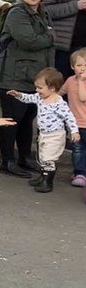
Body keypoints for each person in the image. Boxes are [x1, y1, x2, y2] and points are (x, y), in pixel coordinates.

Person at [0, 0, 55, 178]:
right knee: (12, 120)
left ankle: (25, 158)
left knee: (28, 119)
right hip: (12, 77)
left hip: (33, 78)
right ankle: (8, 161)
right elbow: (28, 40)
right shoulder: (17, 13)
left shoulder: (42, 13)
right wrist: (50, 36)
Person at [6, 68, 81, 192]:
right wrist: (18, 95)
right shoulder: (40, 97)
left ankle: (48, 182)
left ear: (52, 88)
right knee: (41, 157)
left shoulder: (59, 103)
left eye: (40, 88)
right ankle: (42, 177)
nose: (37, 90)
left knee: (48, 158)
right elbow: (28, 98)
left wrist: (74, 131)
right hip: (43, 134)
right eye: (36, 87)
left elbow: (69, 117)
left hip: (55, 135)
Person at [60, 49, 86, 186]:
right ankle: (79, 173)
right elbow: (60, 93)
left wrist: (82, 82)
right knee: (77, 149)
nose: (82, 69)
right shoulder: (70, 80)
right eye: (79, 65)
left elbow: (83, 98)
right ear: (72, 67)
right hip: (75, 124)